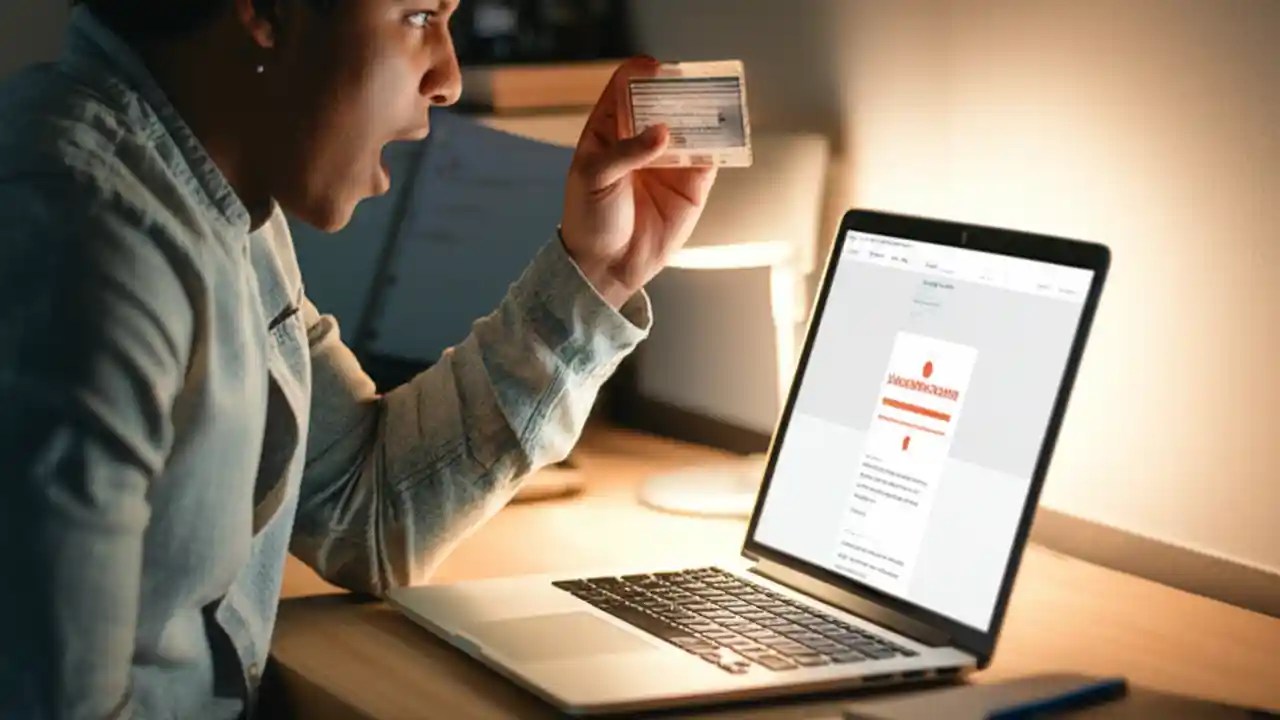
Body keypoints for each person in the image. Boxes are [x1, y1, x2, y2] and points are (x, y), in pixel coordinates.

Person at [0, 0, 716, 716]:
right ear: (267, 11)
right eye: (417, 15)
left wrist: (600, 272)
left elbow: (366, 510)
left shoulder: (219, 208)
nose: (449, 78)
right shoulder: (86, 248)